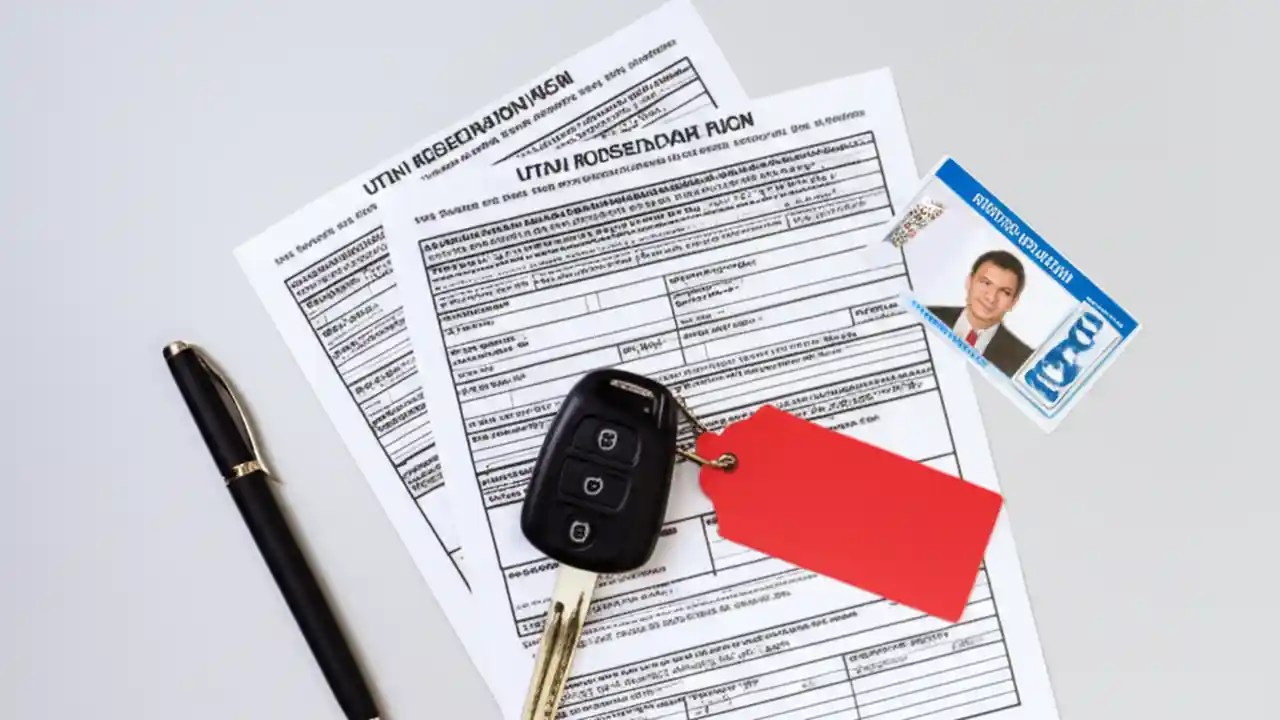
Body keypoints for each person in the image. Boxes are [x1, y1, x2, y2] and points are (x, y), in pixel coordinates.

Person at [929, 250, 1033, 377]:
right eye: (986, 283)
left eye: (1005, 292)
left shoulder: (1024, 363)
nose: (991, 297)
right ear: (969, 281)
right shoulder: (928, 314)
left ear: (1013, 302)